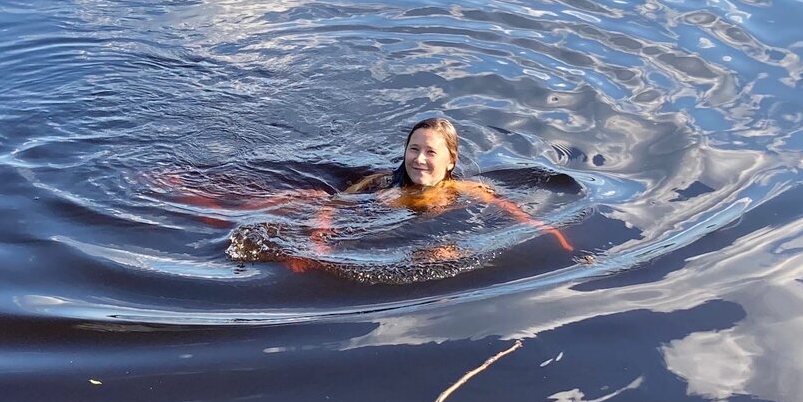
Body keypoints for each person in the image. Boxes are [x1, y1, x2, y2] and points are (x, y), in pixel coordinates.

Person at [154, 116, 574, 271]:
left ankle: (190, 193)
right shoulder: (383, 187)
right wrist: (317, 243)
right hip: (347, 200)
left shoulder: (468, 189)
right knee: (269, 205)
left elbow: (516, 212)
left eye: (431, 152)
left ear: (450, 161)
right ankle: (181, 188)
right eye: (413, 149)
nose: (420, 160)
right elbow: (331, 205)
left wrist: (555, 235)